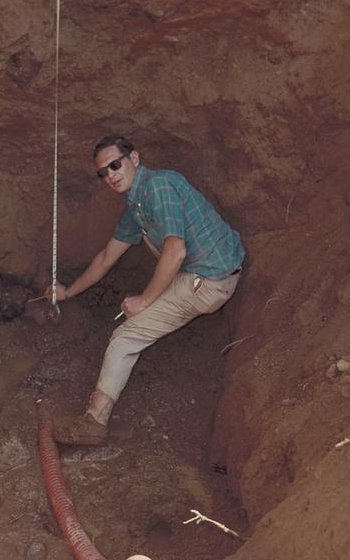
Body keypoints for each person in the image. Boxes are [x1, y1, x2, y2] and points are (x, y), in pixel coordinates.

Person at [46, 134, 245, 446]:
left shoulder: (157, 186)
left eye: (115, 164)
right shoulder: (134, 208)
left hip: (209, 279)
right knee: (150, 285)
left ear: (134, 159)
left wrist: (144, 301)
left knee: (125, 337)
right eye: (103, 171)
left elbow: (175, 250)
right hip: (204, 271)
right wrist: (68, 292)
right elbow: (106, 257)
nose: (110, 174)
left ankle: (94, 422)